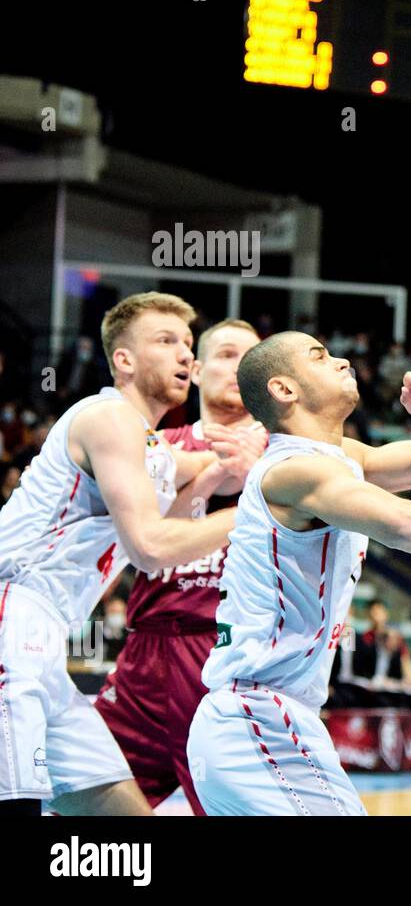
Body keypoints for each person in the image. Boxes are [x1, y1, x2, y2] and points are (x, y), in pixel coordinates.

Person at [186, 332, 411, 815]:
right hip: (257, 719)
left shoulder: (345, 459)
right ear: (284, 389)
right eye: (319, 357)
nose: (340, 359)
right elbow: (405, 524)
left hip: (264, 720)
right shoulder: (292, 469)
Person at [0, 292, 247, 815]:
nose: (185, 354)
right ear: (124, 360)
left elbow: (196, 466)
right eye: (166, 341)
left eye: (187, 343)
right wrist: (258, 514)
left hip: (43, 640)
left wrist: (245, 461)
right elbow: (152, 547)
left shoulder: (149, 446)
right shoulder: (108, 417)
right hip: (9, 613)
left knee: (120, 814)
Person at [95, 318, 265, 813]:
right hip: (143, 654)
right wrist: (215, 472)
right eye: (227, 354)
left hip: (226, 652)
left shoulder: (287, 453)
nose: (239, 368)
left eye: (251, 358)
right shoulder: (155, 445)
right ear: (194, 370)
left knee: (227, 807)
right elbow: (144, 539)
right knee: (88, 792)